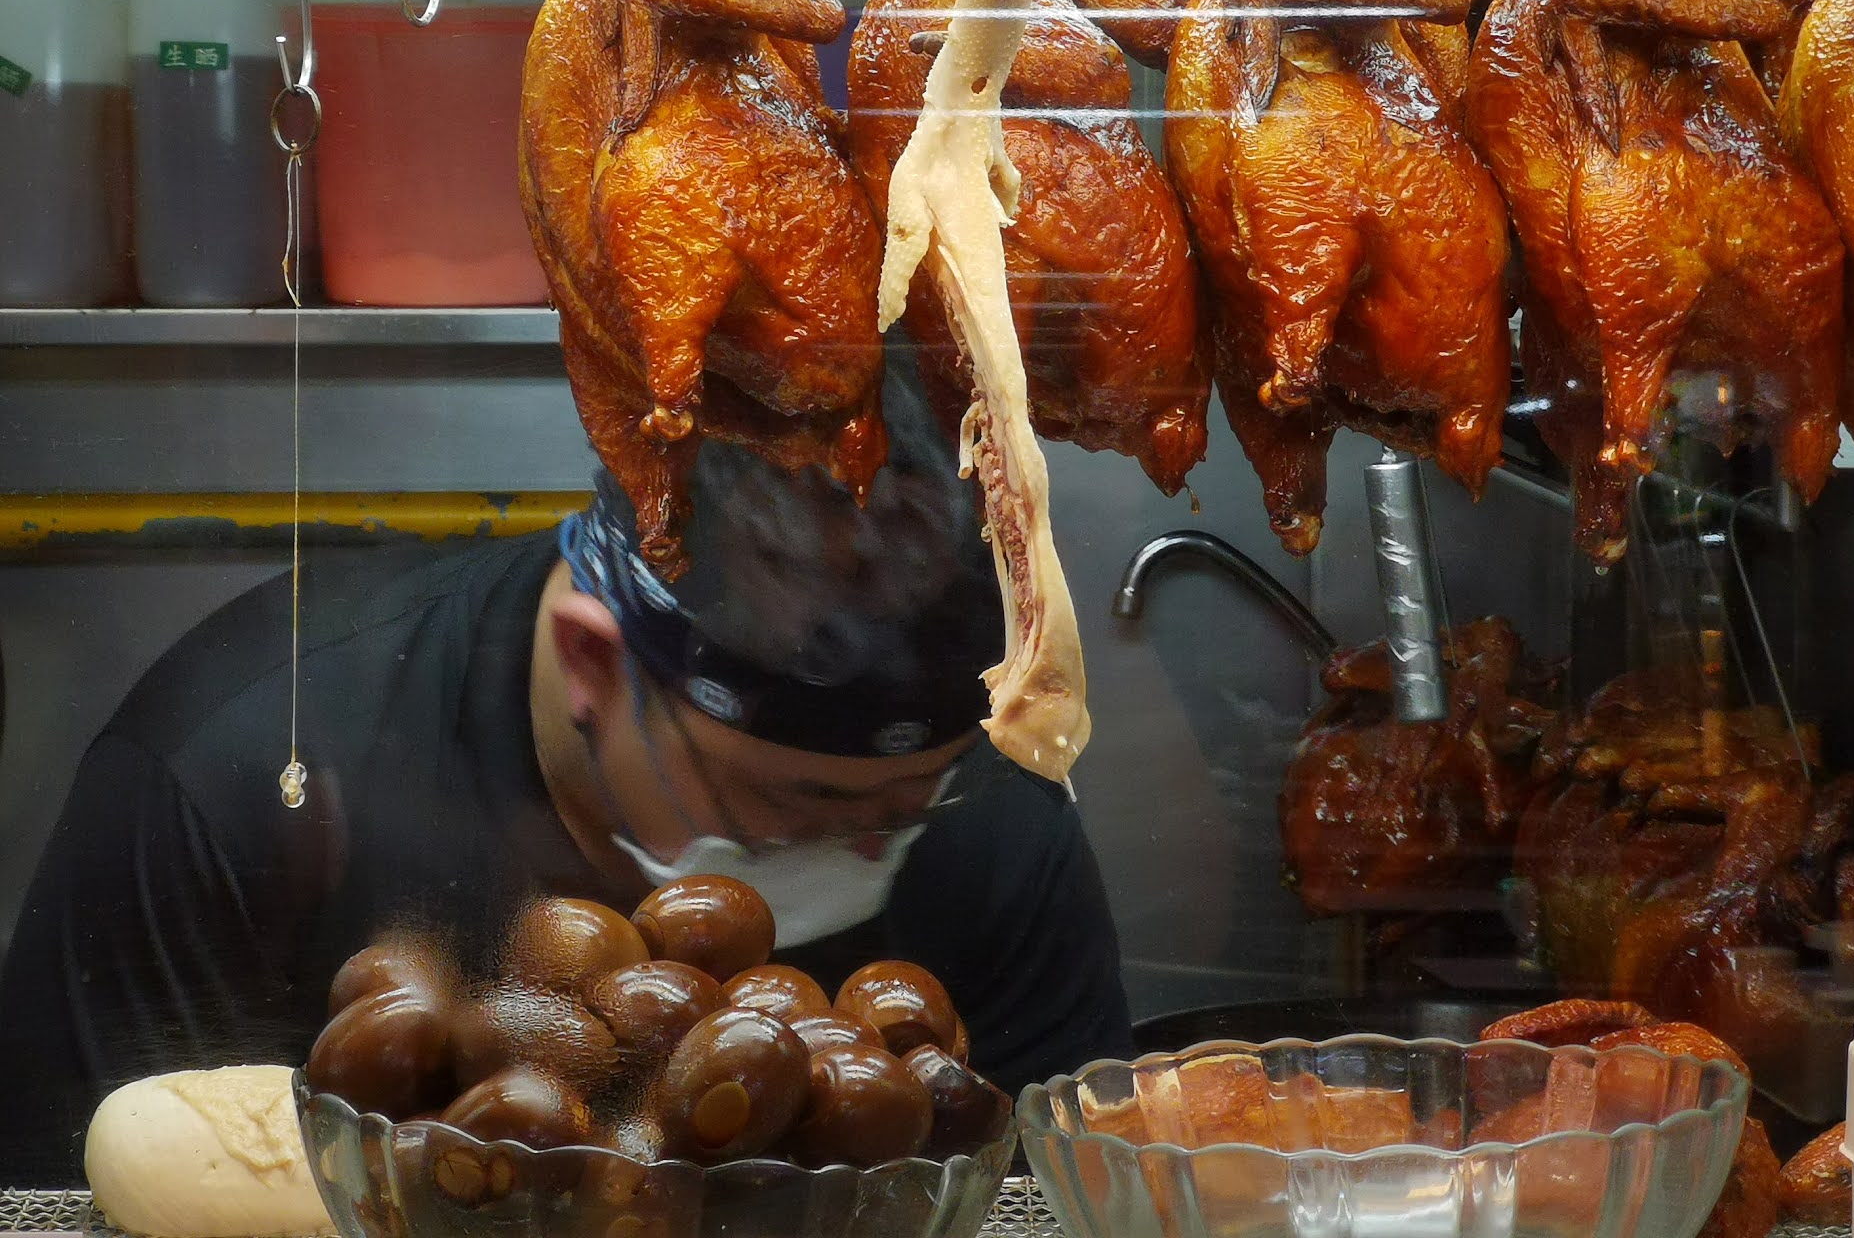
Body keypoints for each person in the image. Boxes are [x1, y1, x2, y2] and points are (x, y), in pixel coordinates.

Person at [0, 351, 1132, 1183]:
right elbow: (67, 1190)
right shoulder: (251, 768)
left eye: (911, 803)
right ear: (591, 662)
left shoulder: (990, 813)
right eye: (795, 801)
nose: (872, 850)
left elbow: (1067, 1199)